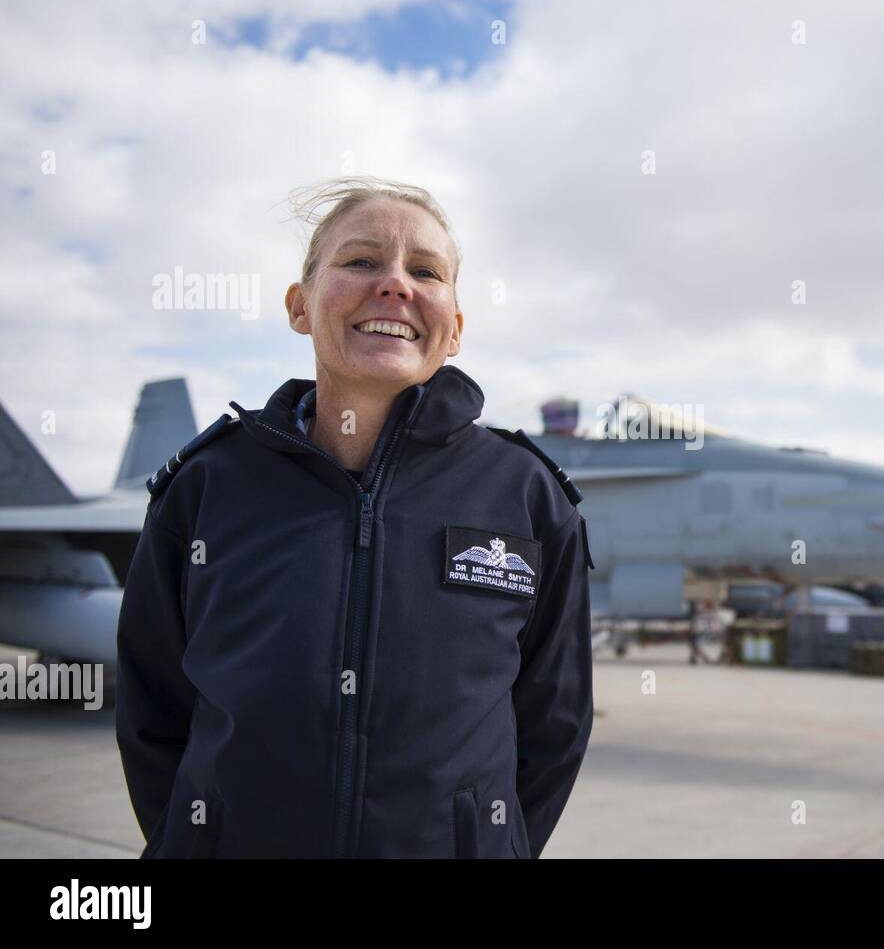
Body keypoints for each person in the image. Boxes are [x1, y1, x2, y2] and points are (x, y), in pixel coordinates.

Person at [115, 177, 595, 858]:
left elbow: (553, 728)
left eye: (425, 271)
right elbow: (151, 710)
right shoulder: (203, 487)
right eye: (362, 261)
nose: (395, 284)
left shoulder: (527, 497)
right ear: (299, 306)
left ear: (455, 329)